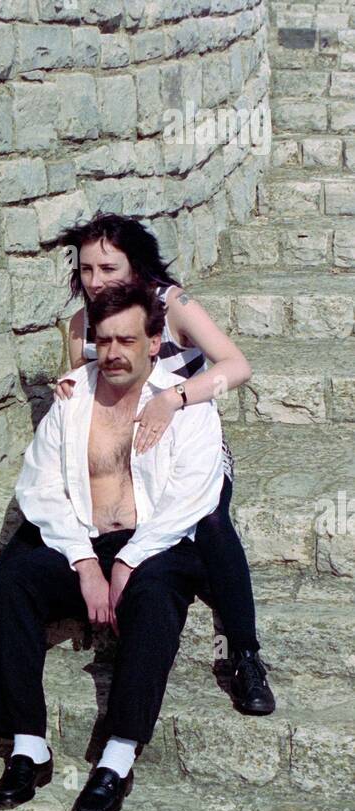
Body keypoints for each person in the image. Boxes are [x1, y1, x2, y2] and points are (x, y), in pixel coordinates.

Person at [0, 281, 226, 811]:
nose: (112, 353)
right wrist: (84, 562)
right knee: (14, 581)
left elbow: (194, 495)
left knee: (156, 600)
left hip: (156, 540)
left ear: (154, 341)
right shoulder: (73, 398)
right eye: (102, 340)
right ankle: (28, 746)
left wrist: (131, 559)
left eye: (126, 340)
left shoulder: (185, 402)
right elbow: (39, 486)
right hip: (84, 536)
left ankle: (118, 756)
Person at [55, 210, 274, 715]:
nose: (96, 281)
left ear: (136, 266)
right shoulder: (80, 325)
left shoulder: (171, 304)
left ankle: (244, 656)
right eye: (87, 270)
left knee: (212, 520)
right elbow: (85, 393)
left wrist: (173, 397)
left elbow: (237, 366)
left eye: (109, 268)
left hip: (187, 446)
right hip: (123, 459)